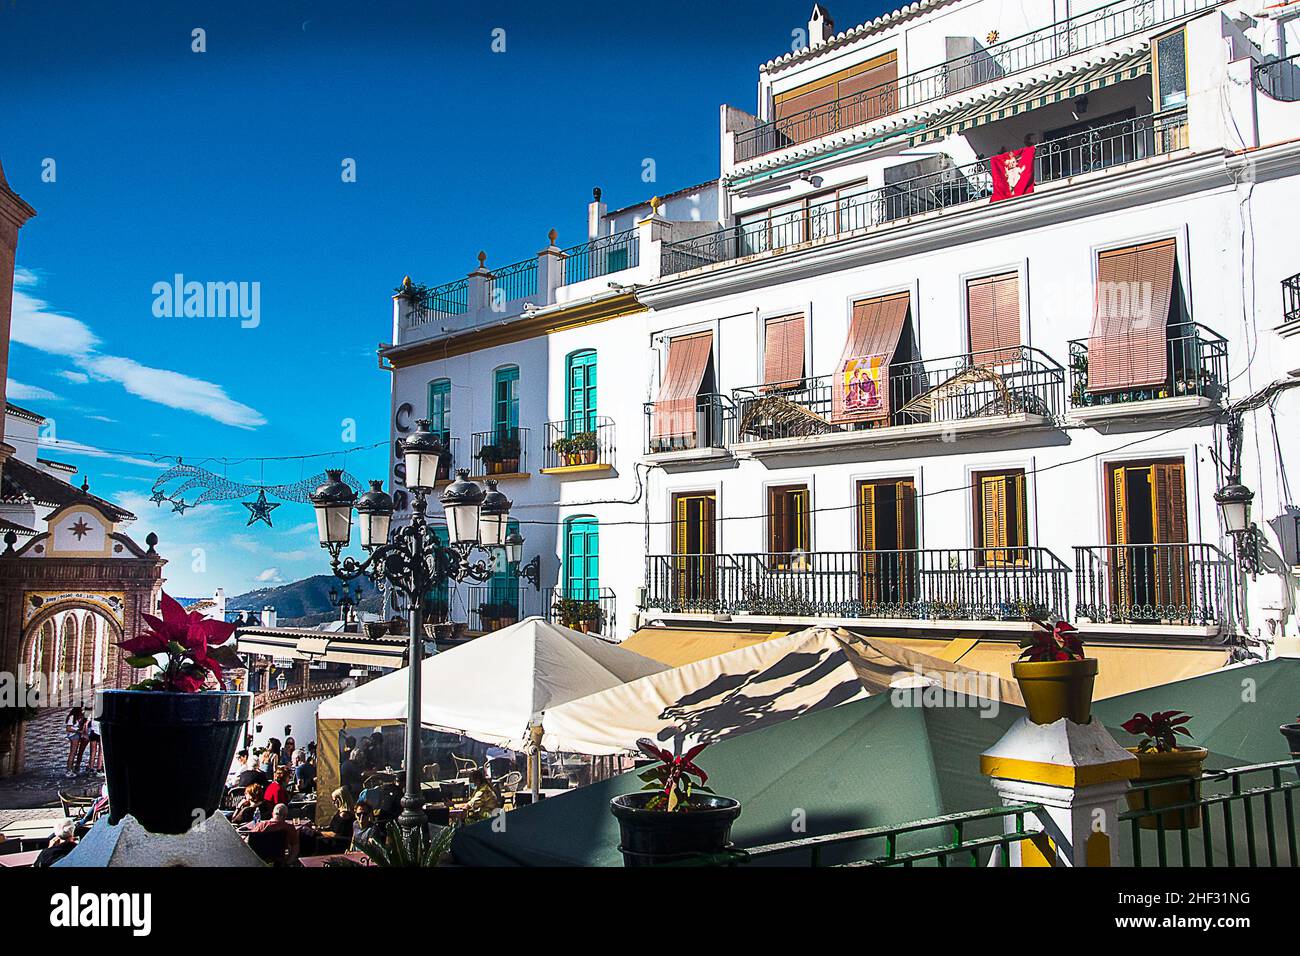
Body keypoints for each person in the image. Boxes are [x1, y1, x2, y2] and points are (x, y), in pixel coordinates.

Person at [64, 707, 88, 778]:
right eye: (81, 709)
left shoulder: (77, 716)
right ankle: (69, 770)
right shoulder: (72, 717)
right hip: (74, 735)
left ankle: (70, 769)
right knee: (73, 752)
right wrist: (78, 731)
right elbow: (68, 728)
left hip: (75, 735)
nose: (82, 710)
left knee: (73, 752)